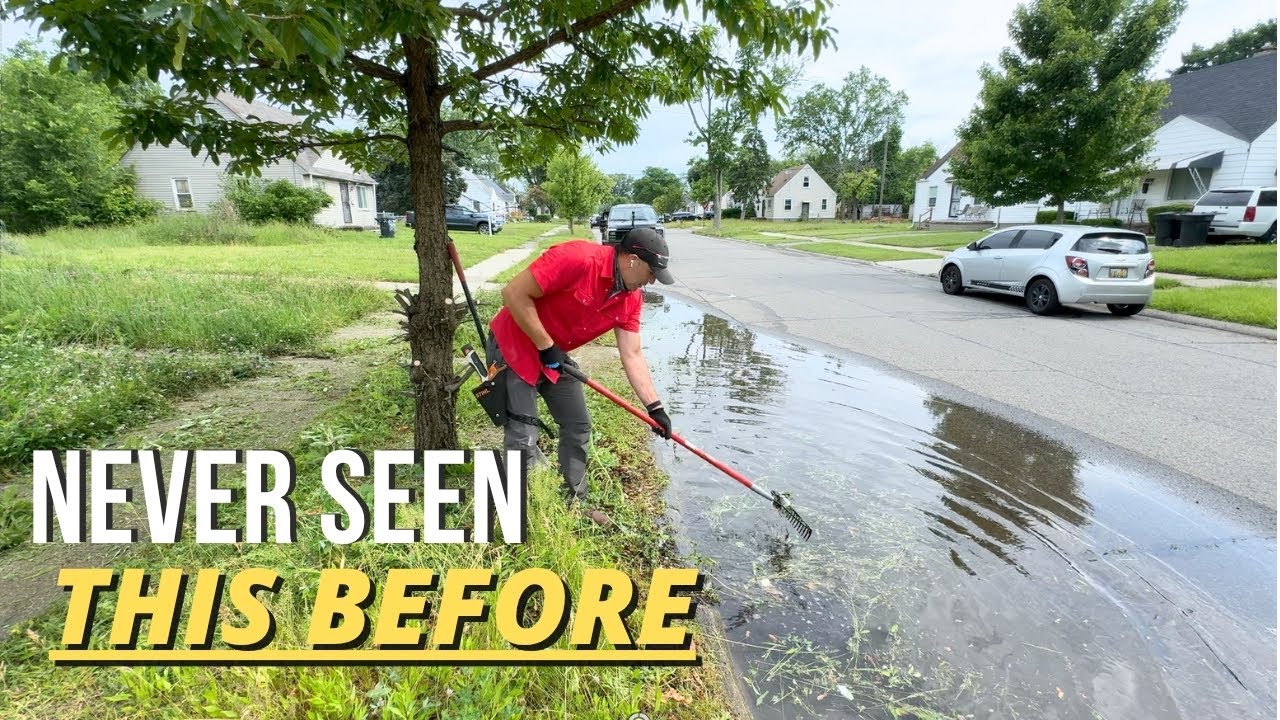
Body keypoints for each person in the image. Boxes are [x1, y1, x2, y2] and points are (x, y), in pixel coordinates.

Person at [486, 227, 675, 526]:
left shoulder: (630, 298)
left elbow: (632, 354)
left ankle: (574, 503)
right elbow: (513, 293)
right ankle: (514, 515)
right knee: (523, 433)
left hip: (553, 354)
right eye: (652, 272)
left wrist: (655, 408)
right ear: (632, 260)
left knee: (578, 425)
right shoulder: (578, 258)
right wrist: (546, 346)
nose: (652, 280)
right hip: (515, 343)